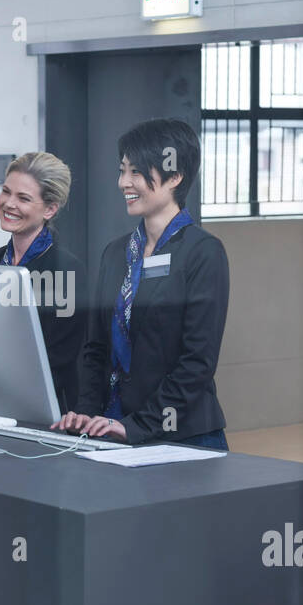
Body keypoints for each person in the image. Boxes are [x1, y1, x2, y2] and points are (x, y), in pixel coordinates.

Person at [53, 118, 230, 450]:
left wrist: (138, 425)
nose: (124, 182)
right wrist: (85, 415)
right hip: (112, 427)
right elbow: (95, 349)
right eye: (122, 171)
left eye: (136, 172)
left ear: (174, 177)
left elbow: (197, 362)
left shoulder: (203, 253)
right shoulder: (116, 253)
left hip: (182, 435)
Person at [0, 152, 85, 413]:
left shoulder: (66, 270)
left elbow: (57, 359)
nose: (8, 203)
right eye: (6, 192)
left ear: (49, 209)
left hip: (44, 412)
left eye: (23, 198)